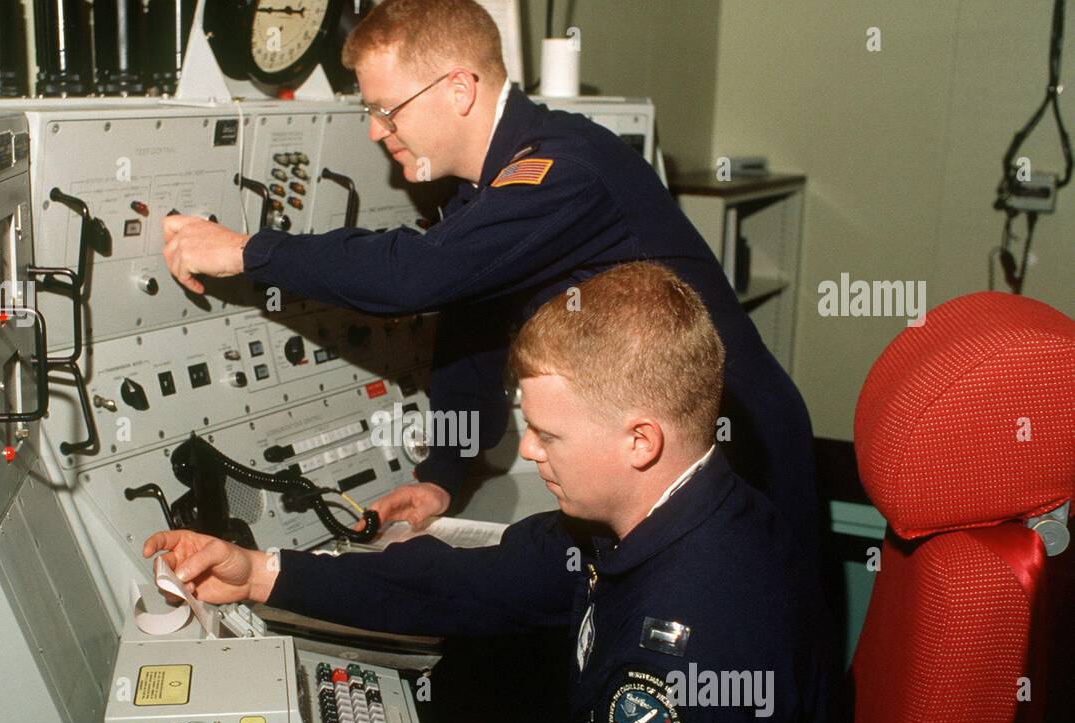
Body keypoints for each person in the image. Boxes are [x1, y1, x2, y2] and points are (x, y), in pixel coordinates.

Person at [144, 263, 845, 723]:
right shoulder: (684, 506)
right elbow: (467, 581)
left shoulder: (689, 635)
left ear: (640, 440)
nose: (530, 451)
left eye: (547, 432)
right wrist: (262, 571)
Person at [161, 0, 822, 560]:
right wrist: (444, 476)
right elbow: (470, 329)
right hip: (648, 447)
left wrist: (247, 252)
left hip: (734, 451)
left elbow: (414, 277)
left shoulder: (563, 170)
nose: (374, 130)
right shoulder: (488, 190)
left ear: (459, 88)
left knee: (752, 672)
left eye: (386, 108)